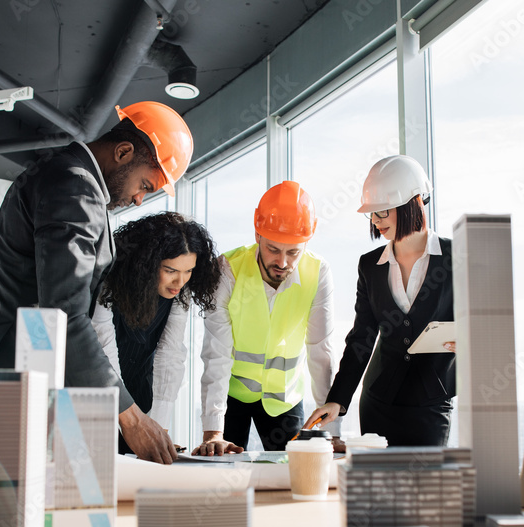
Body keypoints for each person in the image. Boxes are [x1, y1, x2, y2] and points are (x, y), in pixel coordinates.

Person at [0, 101, 193, 464]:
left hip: (32, 378)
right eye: (145, 185)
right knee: (7, 511)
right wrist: (131, 418)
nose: (138, 198)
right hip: (15, 380)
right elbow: (64, 313)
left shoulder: (67, 178)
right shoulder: (74, 187)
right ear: (123, 152)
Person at [303, 155, 456, 448]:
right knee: (378, 491)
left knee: (425, 490)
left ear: (411, 203)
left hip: (431, 404)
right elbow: (362, 338)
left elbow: (480, 322)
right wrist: (337, 400)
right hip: (378, 403)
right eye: (372, 214)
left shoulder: (455, 257)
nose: (375, 221)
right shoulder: (370, 266)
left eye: (382, 212)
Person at [195, 181, 338, 454]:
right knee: (223, 469)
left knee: (295, 472)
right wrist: (213, 431)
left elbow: (321, 350)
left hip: (284, 398)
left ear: (306, 242)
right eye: (274, 249)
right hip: (231, 395)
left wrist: (331, 431)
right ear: (258, 235)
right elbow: (217, 353)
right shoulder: (227, 270)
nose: (283, 262)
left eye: (293, 251)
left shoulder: (318, 274)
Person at [91, 211, 220, 455]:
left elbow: (169, 355)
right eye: (170, 270)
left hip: (141, 393)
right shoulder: (109, 282)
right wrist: (129, 421)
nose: (180, 281)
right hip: (97, 393)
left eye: (189, 271)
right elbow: (103, 346)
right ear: (147, 264)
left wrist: (159, 428)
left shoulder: (181, 293)